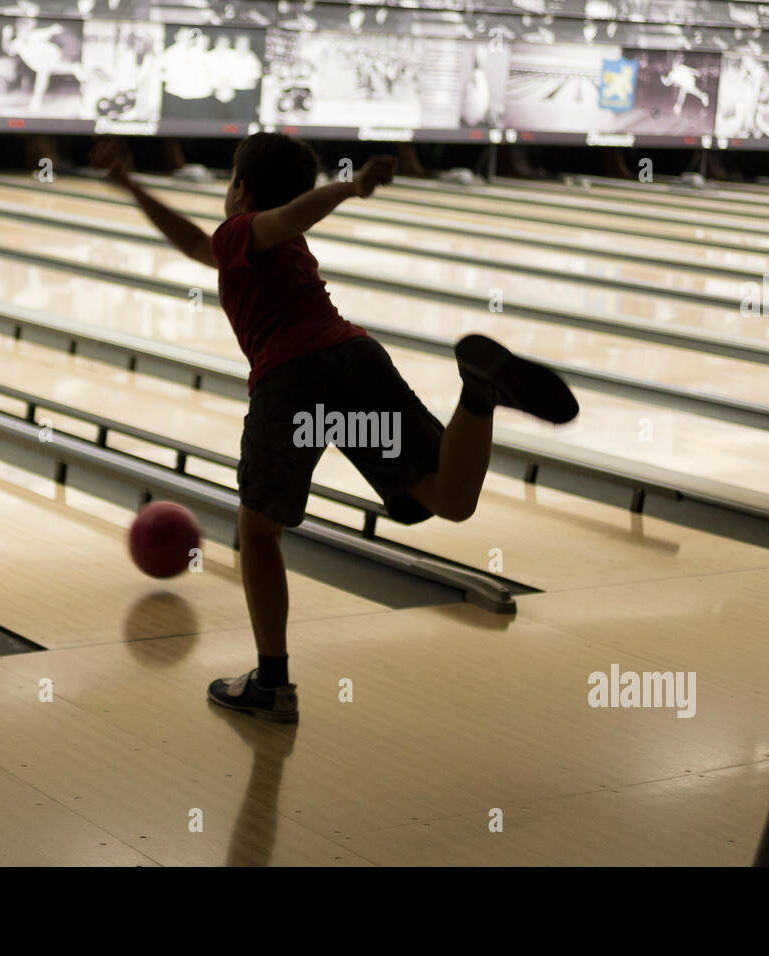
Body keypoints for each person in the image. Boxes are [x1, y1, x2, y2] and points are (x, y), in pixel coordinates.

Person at [91, 133, 579, 722]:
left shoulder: (253, 230)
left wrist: (350, 187)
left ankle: (271, 683)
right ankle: (477, 398)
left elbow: (278, 217)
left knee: (260, 532)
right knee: (447, 499)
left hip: (293, 383)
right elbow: (196, 241)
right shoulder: (253, 243)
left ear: (240, 189)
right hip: (353, 363)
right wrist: (133, 189)